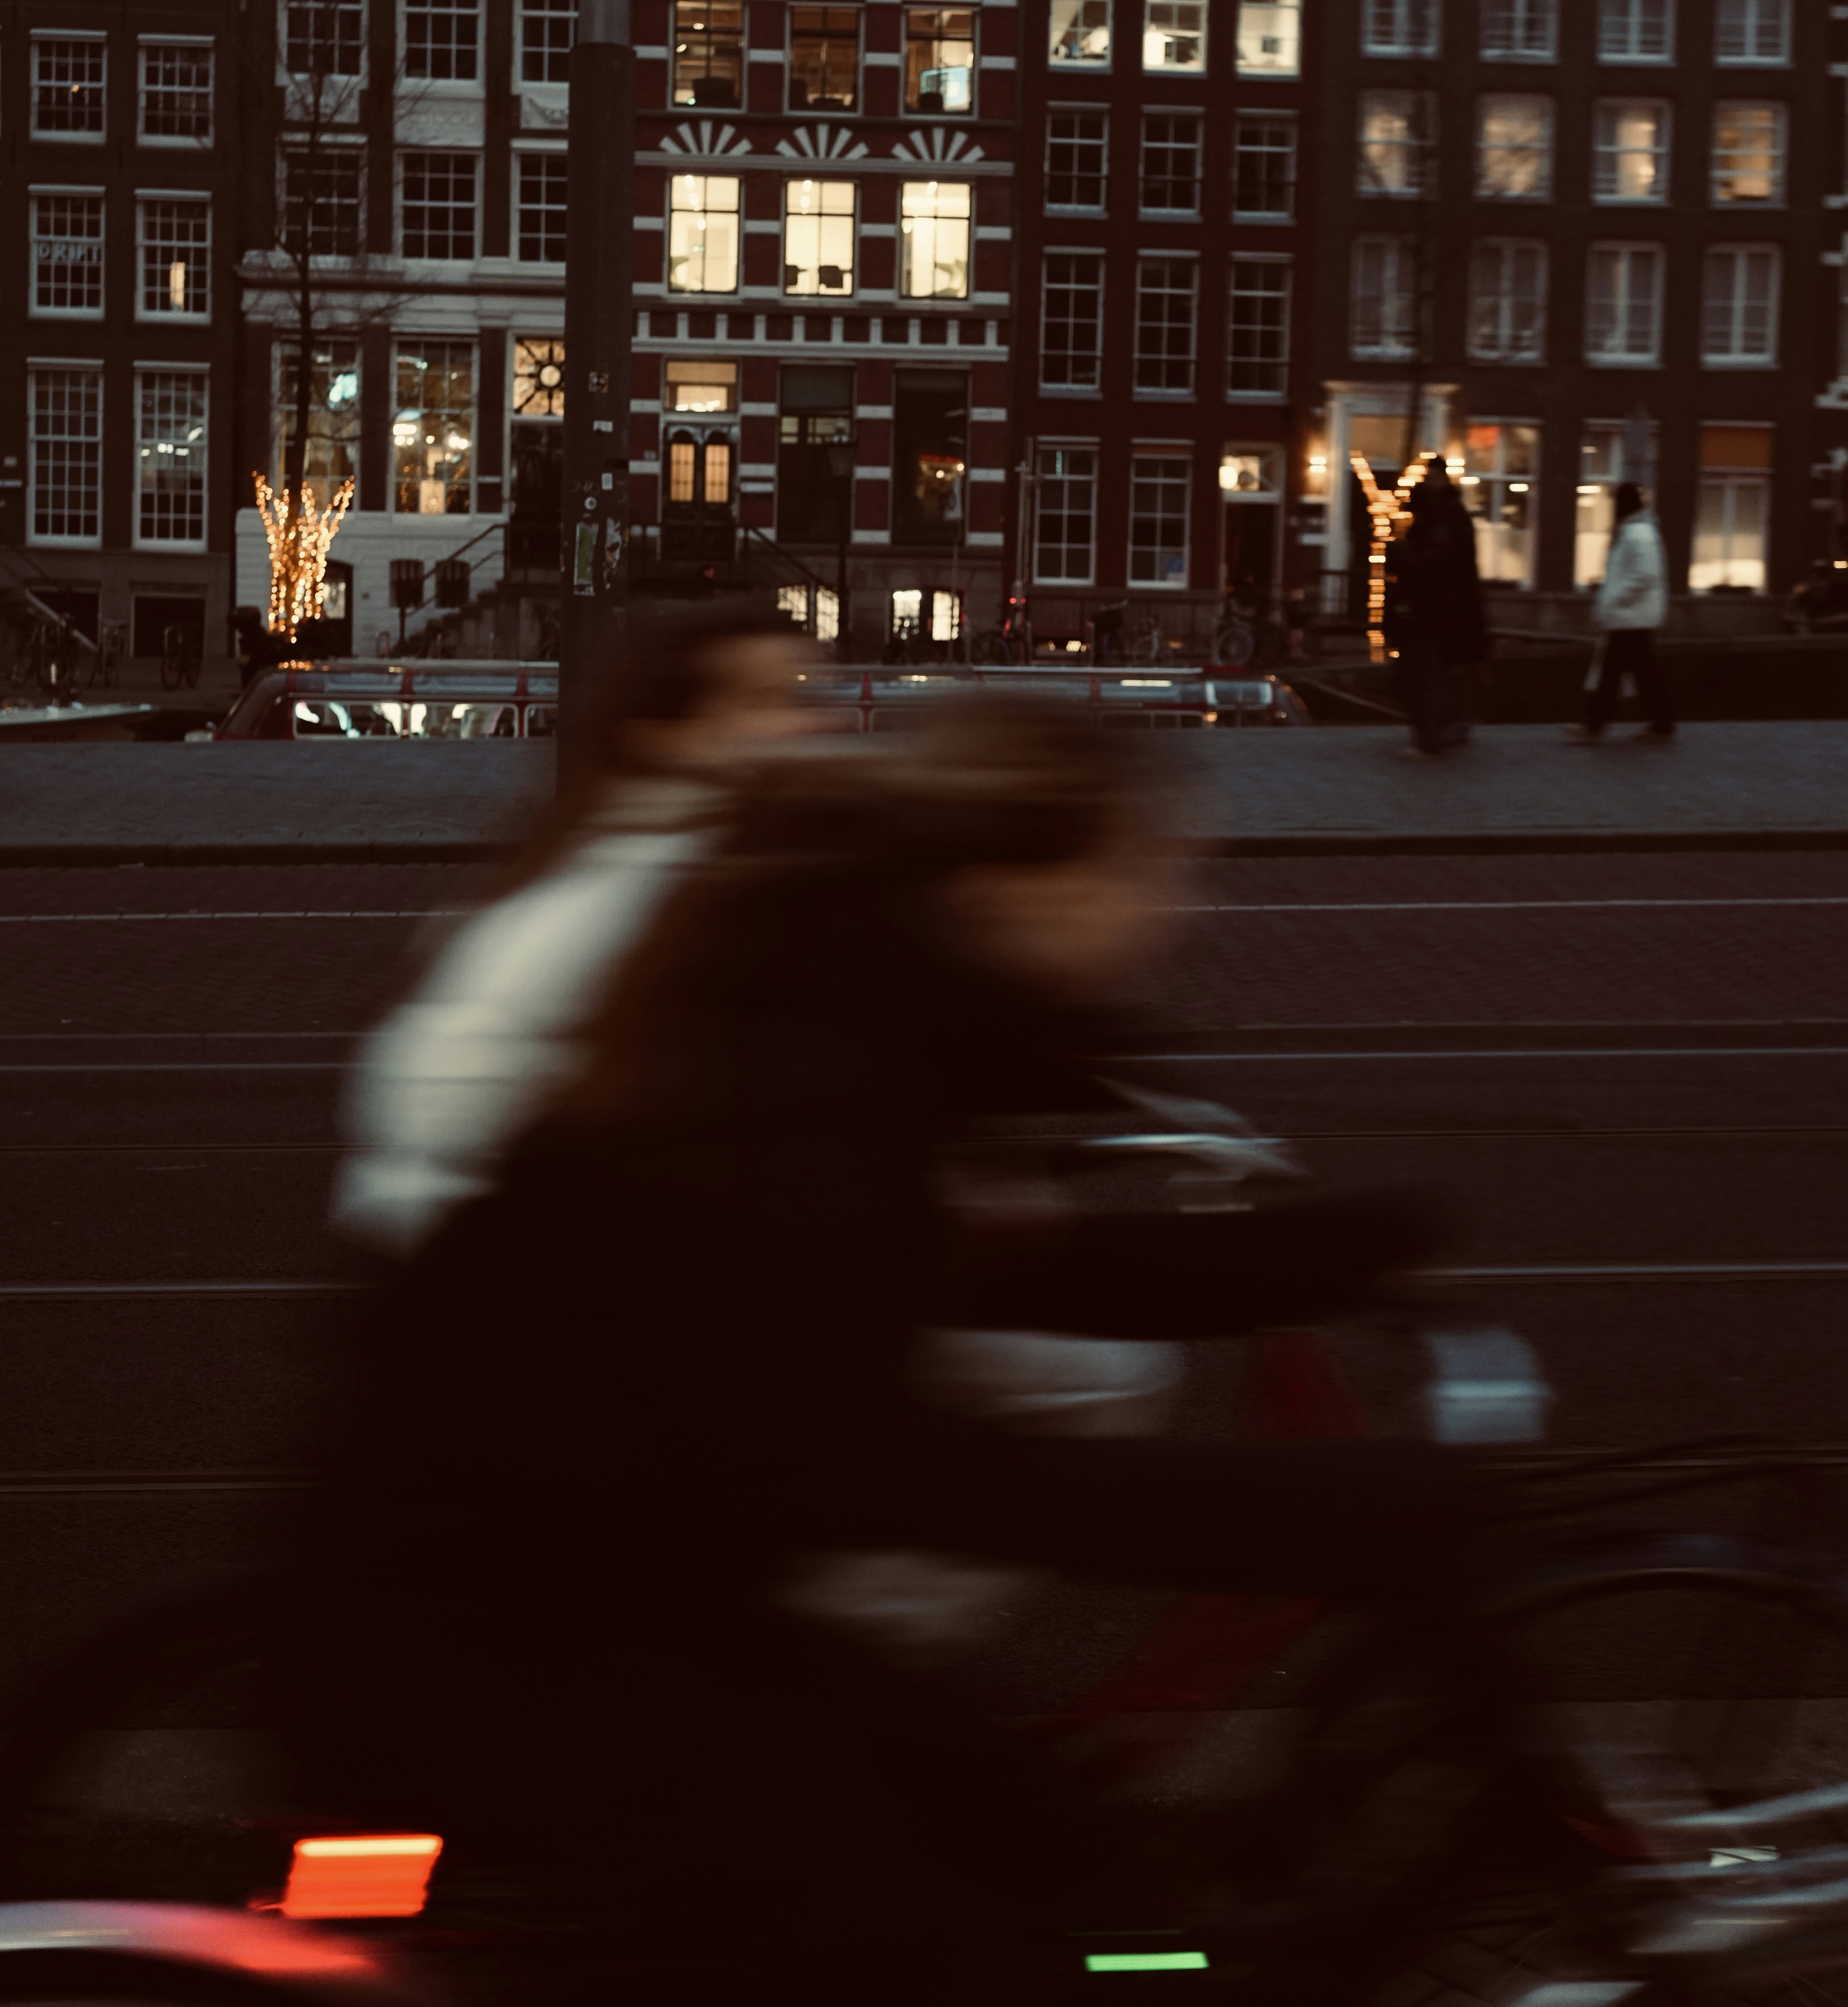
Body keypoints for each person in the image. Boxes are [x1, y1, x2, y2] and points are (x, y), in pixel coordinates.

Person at [291, 706, 1479, 2003]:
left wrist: (1349, 1247)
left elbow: (1001, 1271)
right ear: (1011, 890)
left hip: (633, 1594)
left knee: (1076, 1853)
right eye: (1151, 867)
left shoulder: (859, 1018)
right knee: (959, 1955)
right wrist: (1312, 1516)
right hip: (508, 1642)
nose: (1176, 907)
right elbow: (860, 1457)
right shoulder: (812, 1056)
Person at [329, 604, 806, 1251]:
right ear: (664, 736)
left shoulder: (698, 867)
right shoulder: (624, 891)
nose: (803, 725)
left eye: (801, 695)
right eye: (761, 701)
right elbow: (430, 1102)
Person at [1387, 453, 1488, 755]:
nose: (1427, 483)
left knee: (1423, 672)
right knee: (1437, 671)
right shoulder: (1443, 515)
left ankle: (1432, 734)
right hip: (1442, 608)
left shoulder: (1444, 517)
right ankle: (1447, 724)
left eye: (1431, 478)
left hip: (1436, 609)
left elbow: (1435, 561)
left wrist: (1401, 554)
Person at [1575, 479, 1674, 742]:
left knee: (1611, 671)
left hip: (1631, 615)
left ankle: (1593, 725)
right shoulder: (1639, 531)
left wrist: (1615, 600)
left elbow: (1644, 575)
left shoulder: (1637, 534)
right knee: (1645, 673)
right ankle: (1662, 724)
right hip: (1636, 615)